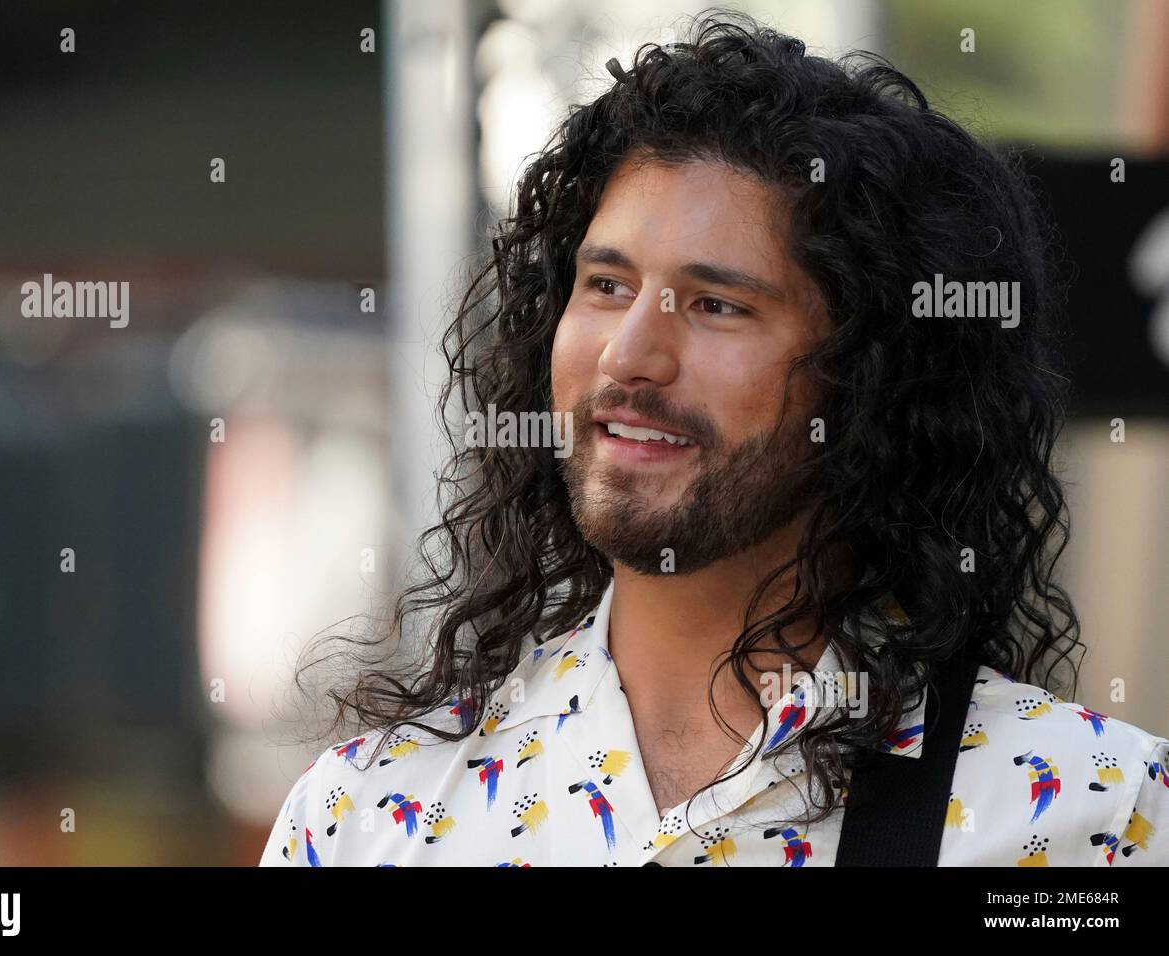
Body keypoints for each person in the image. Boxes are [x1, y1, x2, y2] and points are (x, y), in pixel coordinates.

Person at [261, 11, 1168, 867]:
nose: (630, 355)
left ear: (873, 377)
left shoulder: (1093, 816)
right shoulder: (370, 819)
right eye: (607, 285)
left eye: (717, 305)